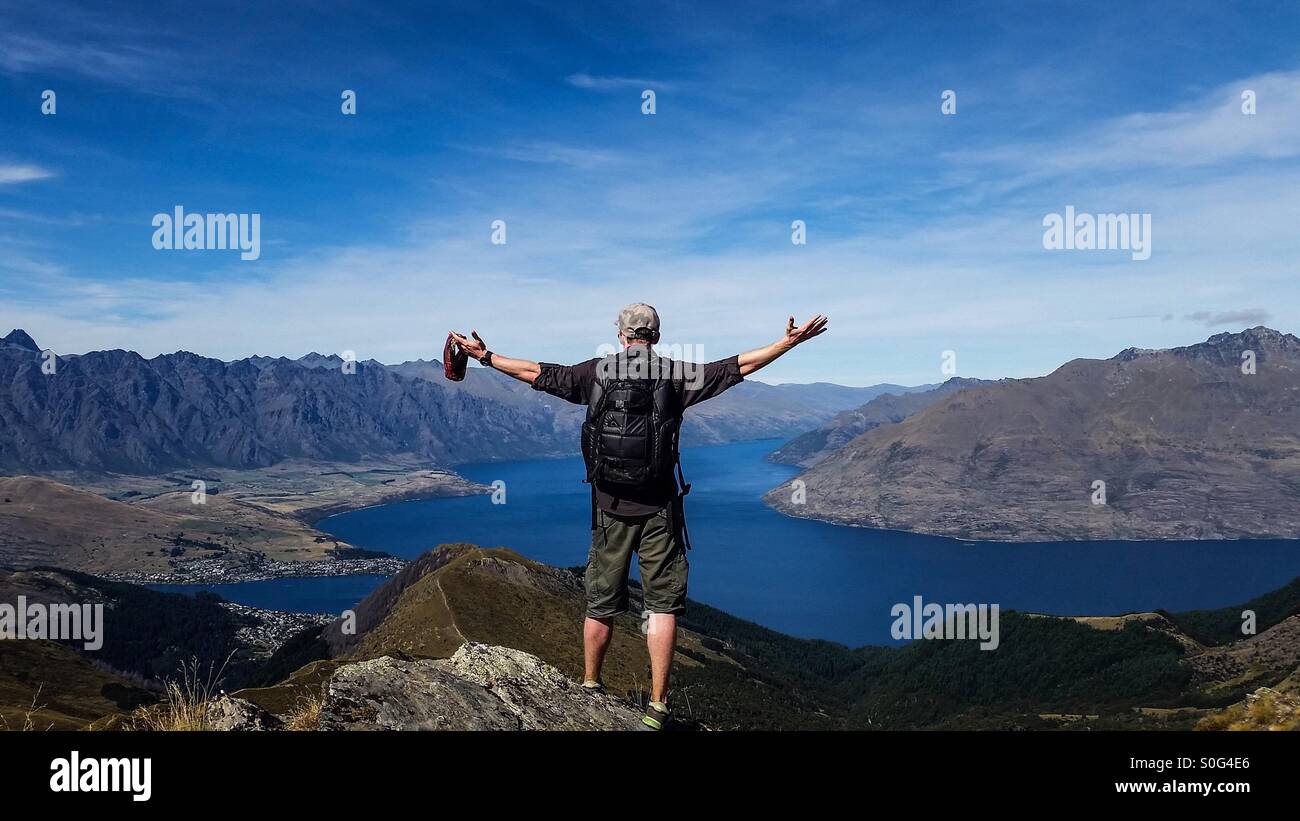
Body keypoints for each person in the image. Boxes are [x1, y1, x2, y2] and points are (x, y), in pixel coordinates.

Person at [448, 304, 828, 729]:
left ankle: (591, 684)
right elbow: (736, 367)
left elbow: (535, 373)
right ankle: (658, 706)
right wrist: (786, 344)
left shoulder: (595, 372)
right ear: (656, 337)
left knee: (601, 603)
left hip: (609, 507)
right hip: (660, 510)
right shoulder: (675, 374)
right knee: (661, 607)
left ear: (621, 335)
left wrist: (485, 356)